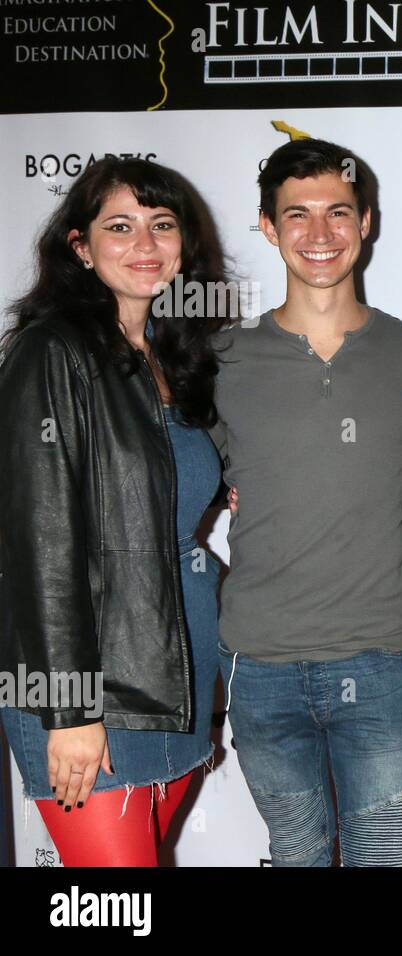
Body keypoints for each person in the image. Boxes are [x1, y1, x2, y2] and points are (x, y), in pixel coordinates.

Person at [213, 138, 402, 866]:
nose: (320, 235)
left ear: (366, 222)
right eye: (298, 215)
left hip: (380, 661)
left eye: (338, 212)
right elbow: (187, 474)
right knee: (298, 856)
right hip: (260, 665)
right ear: (267, 227)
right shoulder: (221, 358)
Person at [0, 157, 226, 866]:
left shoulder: (174, 353)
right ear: (80, 246)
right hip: (90, 685)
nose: (145, 245)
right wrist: (69, 710)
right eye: (120, 227)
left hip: (181, 664)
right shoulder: (52, 351)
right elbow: (38, 544)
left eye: (162, 226)